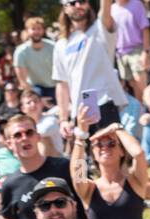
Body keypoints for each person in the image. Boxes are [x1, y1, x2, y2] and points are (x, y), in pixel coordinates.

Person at [0, 114, 86, 219]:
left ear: (38, 137)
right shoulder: (10, 185)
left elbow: (89, 197)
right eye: (17, 135)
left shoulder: (65, 166)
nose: (24, 138)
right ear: (9, 144)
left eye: (29, 132)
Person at [54, 0, 130, 143]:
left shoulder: (100, 29)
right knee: (84, 161)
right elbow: (62, 84)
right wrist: (63, 119)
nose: (78, 6)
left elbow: (106, 7)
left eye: (82, 1)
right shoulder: (60, 45)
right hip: (80, 110)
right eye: (72, 2)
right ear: (65, 8)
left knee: (113, 157)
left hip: (105, 103)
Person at [113, 0, 150, 101]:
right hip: (120, 53)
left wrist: (146, 52)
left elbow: (145, 29)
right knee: (133, 84)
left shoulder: (136, 4)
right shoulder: (111, 9)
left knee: (141, 82)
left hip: (137, 50)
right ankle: (141, 111)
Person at [15, 16, 57, 101]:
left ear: (43, 30)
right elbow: (22, 80)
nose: (36, 32)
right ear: (27, 31)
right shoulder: (21, 51)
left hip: (54, 86)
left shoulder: (53, 47)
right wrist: (38, 99)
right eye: (33, 29)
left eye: (39, 28)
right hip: (34, 88)